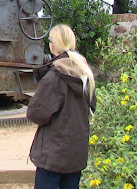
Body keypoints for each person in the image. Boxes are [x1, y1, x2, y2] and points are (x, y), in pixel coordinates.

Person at [26, 24, 97, 189]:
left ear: (52, 46)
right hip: (76, 154)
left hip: (52, 155)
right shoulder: (85, 74)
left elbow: (36, 113)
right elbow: (92, 107)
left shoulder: (54, 77)